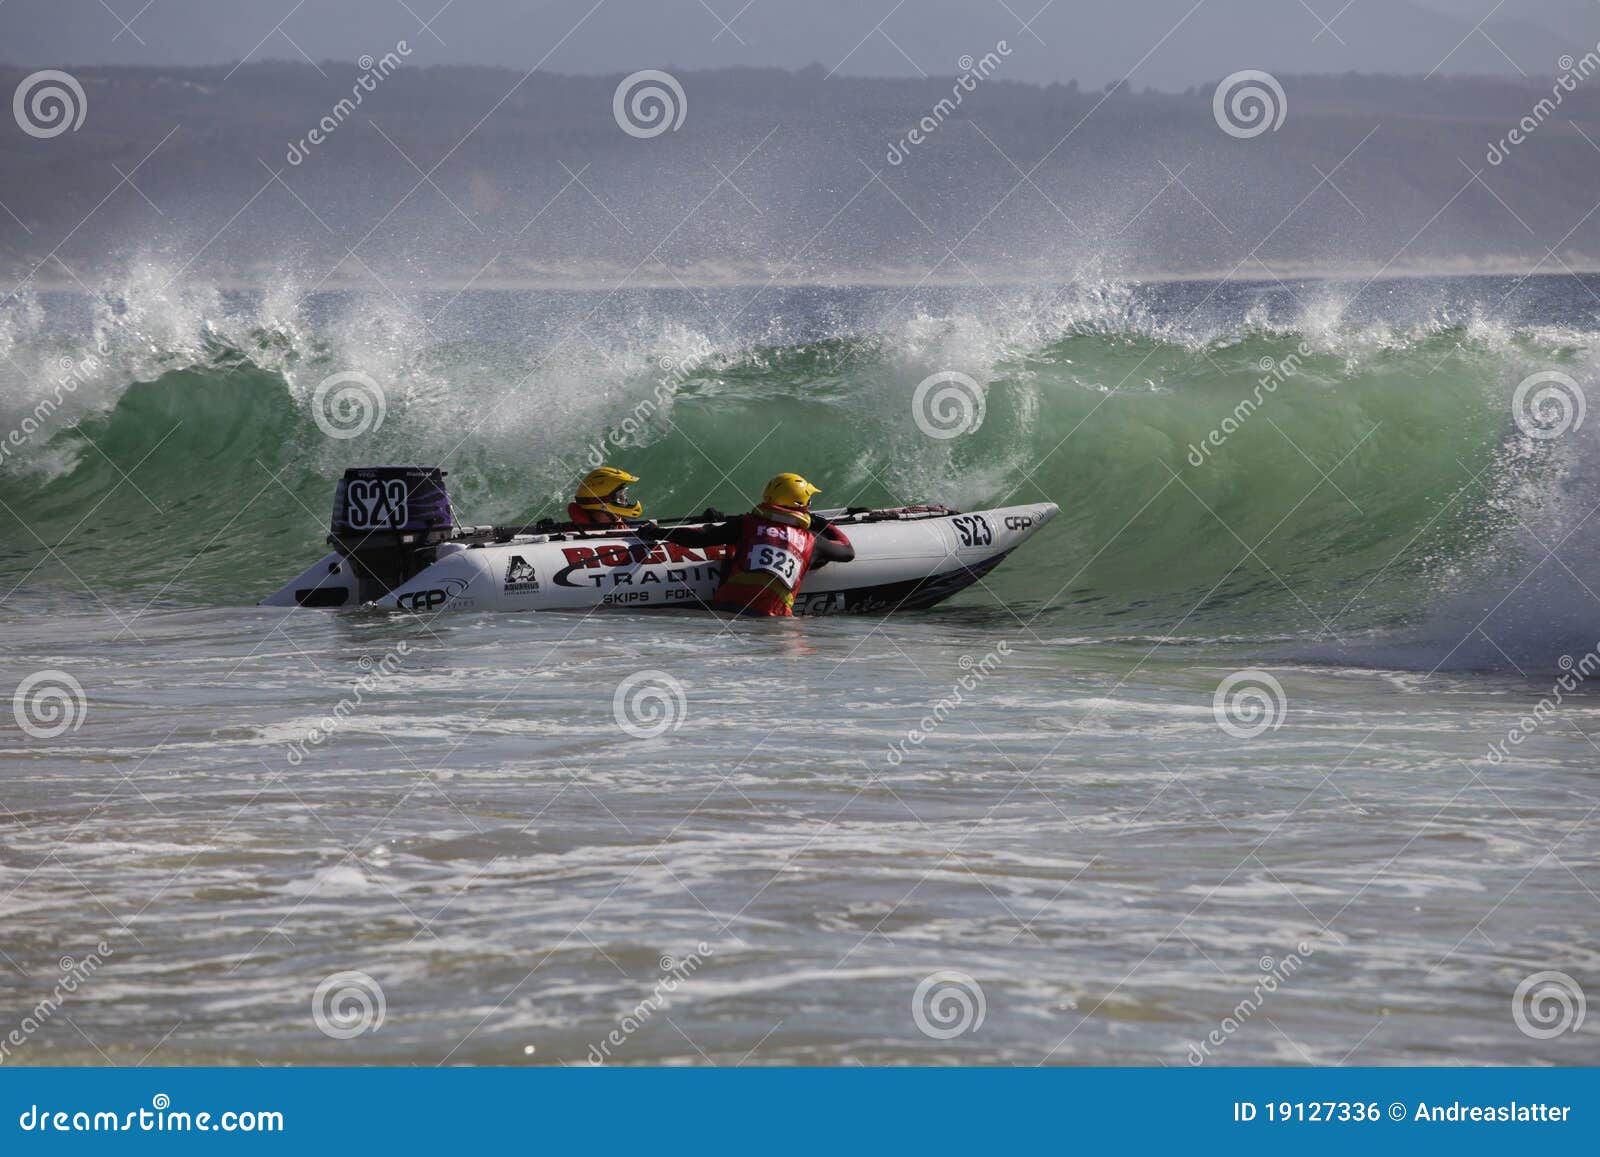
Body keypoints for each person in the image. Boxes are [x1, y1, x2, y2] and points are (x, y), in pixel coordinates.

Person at [638, 472, 854, 617]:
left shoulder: (745, 524)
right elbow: (847, 551)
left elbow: (699, 538)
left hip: (725, 610)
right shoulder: (813, 541)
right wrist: (820, 521)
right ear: (801, 506)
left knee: (732, 556)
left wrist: (657, 532)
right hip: (772, 621)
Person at [569, 466, 642, 527]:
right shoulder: (569, 538)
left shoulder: (626, 524)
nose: (624, 501)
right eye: (619, 497)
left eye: (623, 496)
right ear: (598, 502)